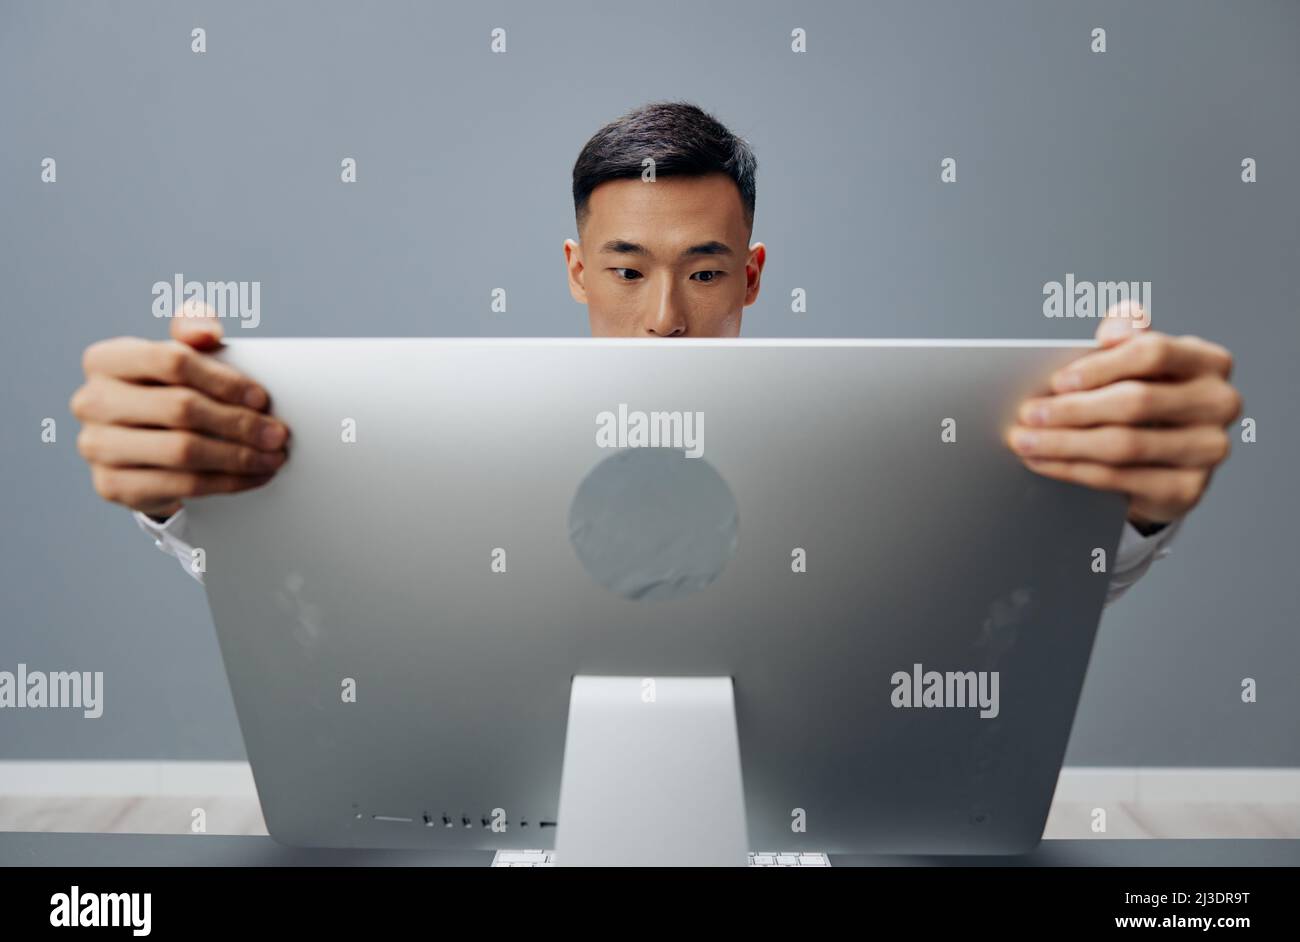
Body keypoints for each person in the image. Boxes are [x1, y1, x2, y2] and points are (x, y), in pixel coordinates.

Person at [69, 103, 1241, 601]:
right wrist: (180, 494)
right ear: (576, 272)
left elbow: (1012, 597)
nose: (665, 319)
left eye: (705, 270)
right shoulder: (464, 447)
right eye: (626, 271)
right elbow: (312, 590)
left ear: (755, 272)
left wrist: (1132, 507)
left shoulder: (877, 447)